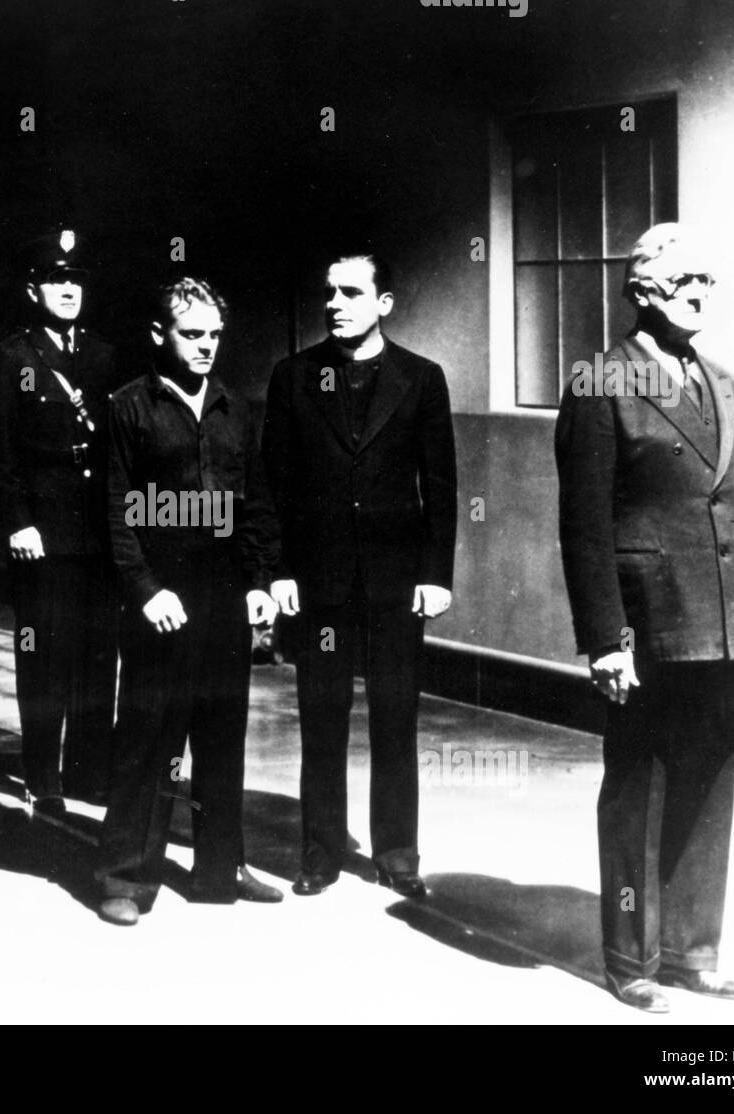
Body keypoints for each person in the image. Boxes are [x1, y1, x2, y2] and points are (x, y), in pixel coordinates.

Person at [555, 222, 734, 1013]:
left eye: (708, 281)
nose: (699, 293)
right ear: (641, 288)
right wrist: (605, 642)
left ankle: (692, 951)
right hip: (646, 627)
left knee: (710, 783)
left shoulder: (726, 382)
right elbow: (583, 526)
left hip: (721, 624)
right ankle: (633, 959)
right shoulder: (599, 381)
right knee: (638, 788)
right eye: (684, 279)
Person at [262, 250, 457, 899]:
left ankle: (398, 853)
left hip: (397, 583)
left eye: (351, 292)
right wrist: (279, 570)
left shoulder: (421, 379)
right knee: (321, 714)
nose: (336, 304)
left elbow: (442, 486)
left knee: (396, 716)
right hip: (319, 583)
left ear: (385, 303)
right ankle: (319, 850)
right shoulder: (293, 376)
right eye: (329, 292)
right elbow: (271, 485)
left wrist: (436, 572)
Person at [95, 276, 283, 926]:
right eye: (192, 334)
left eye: (214, 336)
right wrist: (144, 591)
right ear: (160, 335)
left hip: (225, 594)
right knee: (150, 739)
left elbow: (255, 502)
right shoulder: (127, 408)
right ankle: (126, 875)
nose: (206, 347)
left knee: (222, 735)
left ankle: (220, 867)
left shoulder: (235, 407)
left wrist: (261, 583)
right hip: (162, 598)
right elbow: (117, 513)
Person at [0, 229, 119, 810]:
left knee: (96, 654)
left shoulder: (102, 355)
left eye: (76, 282)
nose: (68, 291)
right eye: (57, 281)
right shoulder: (14, 357)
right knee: (43, 655)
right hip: (42, 532)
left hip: (96, 531)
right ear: (34, 289)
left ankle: (90, 770)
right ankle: (43, 772)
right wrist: (17, 520)